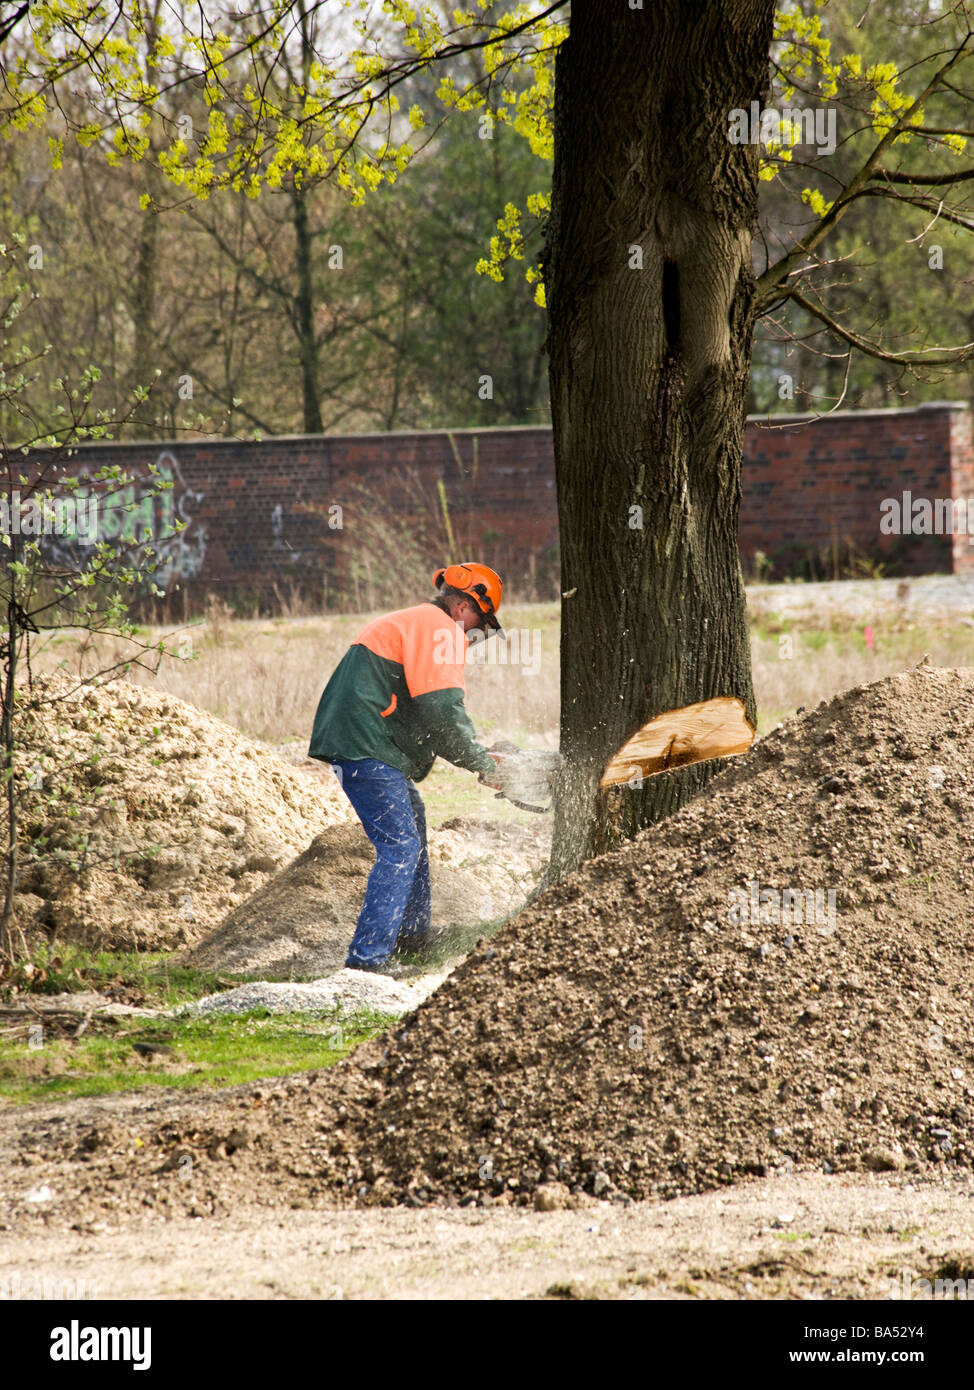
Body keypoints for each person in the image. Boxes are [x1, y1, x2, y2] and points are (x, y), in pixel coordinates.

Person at [308, 563, 504, 976]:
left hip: (362, 740)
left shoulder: (417, 621)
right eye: (479, 622)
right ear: (462, 604)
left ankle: (413, 936)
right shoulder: (439, 630)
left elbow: (427, 712)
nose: (476, 634)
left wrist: (479, 755)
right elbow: (441, 712)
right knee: (399, 846)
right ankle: (367, 961)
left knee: (412, 819)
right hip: (366, 745)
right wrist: (482, 765)